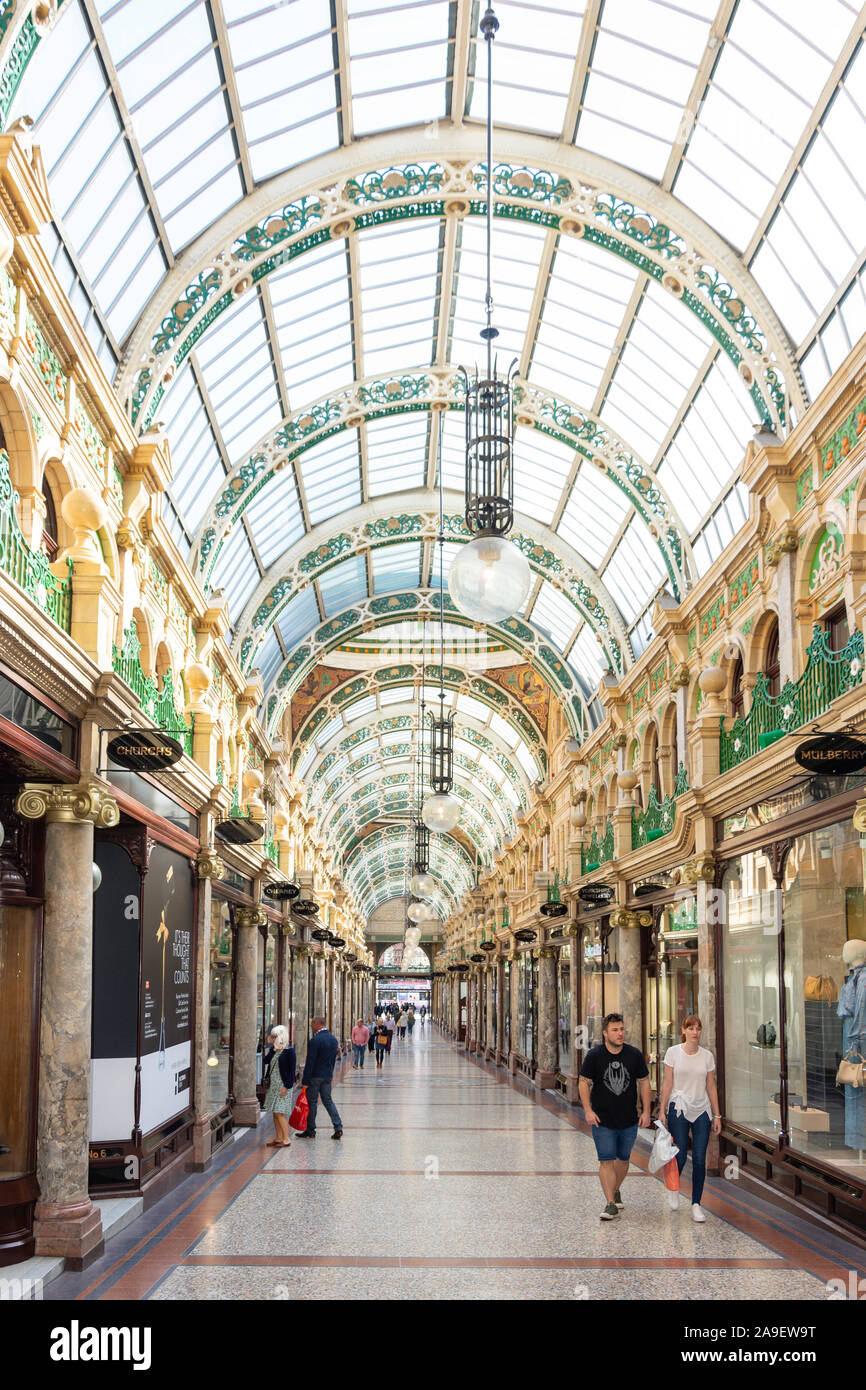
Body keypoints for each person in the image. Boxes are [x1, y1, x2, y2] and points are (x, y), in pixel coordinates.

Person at [578, 1012, 651, 1221]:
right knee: (606, 1160)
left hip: (629, 1118)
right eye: (615, 1030)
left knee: (623, 1160)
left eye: (622, 1029)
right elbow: (583, 1082)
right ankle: (610, 1203)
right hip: (602, 1119)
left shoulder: (634, 1055)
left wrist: (646, 1111)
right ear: (605, 1033)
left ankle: (616, 1188)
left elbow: (644, 1082)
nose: (620, 1034)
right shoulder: (595, 1056)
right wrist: (588, 1110)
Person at [658, 1015, 721, 1223]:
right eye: (691, 1028)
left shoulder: (707, 1056)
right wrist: (662, 1110)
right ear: (683, 1031)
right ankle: (674, 1188)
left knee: (701, 1158)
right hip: (679, 1106)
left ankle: (696, 1204)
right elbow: (667, 1083)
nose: (695, 1032)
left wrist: (717, 1115)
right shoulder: (673, 1053)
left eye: (698, 1028)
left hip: (701, 1107)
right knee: (682, 1152)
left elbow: (711, 1086)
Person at [297, 1016, 343, 1140]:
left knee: (312, 1102)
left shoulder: (315, 1040)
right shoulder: (333, 1040)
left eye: (312, 1024)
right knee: (328, 1100)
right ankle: (338, 1126)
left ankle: (310, 1130)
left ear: (317, 1024)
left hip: (315, 1076)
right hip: (327, 1075)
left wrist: (305, 1081)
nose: (311, 1026)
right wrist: (329, 1073)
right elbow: (333, 1059)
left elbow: (310, 1062)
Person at [262, 1025, 296, 1148]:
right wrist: (273, 1050)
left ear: (282, 1036)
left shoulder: (289, 1051)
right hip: (274, 1085)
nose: (273, 1038)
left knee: (280, 1112)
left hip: (283, 1085)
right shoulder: (275, 1050)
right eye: (273, 1036)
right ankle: (278, 1137)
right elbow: (266, 1061)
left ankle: (286, 1139)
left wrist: (286, 1087)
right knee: (275, 1113)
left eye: (275, 1036)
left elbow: (292, 1072)